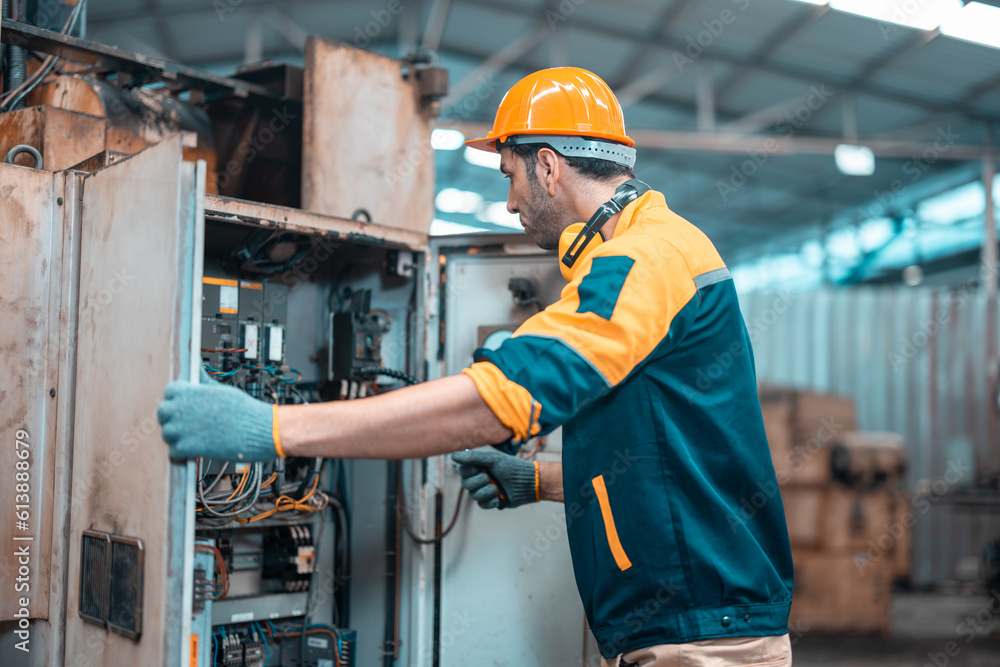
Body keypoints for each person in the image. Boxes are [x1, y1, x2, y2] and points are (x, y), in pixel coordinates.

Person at [159, 67, 793, 667]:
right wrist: (541, 479)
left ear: (549, 166)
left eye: (509, 175)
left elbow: (498, 401)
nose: (511, 202)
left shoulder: (641, 260)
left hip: (700, 641)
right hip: (690, 631)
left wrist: (272, 429)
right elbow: (665, 455)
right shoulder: (653, 249)